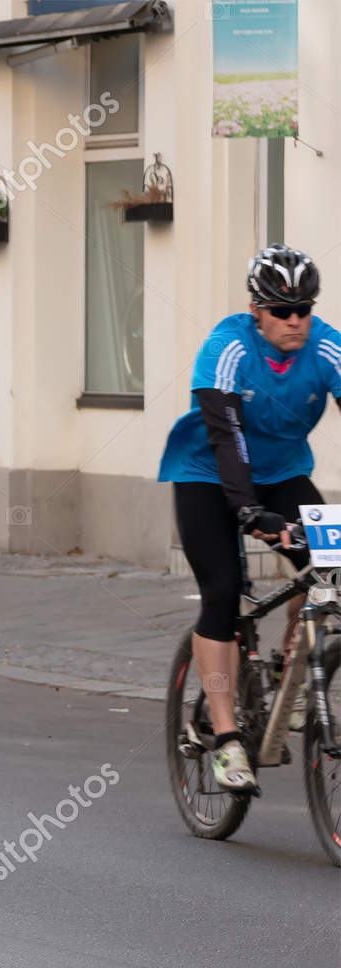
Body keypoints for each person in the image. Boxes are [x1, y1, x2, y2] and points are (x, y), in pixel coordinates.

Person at [158, 243, 341, 792]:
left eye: (304, 309)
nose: (295, 321)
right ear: (256, 309)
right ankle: (226, 737)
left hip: (282, 471)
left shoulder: (328, 347)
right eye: (282, 311)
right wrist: (248, 512)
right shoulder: (228, 347)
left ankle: (295, 676)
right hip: (208, 475)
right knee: (224, 588)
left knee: (327, 564)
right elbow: (227, 436)